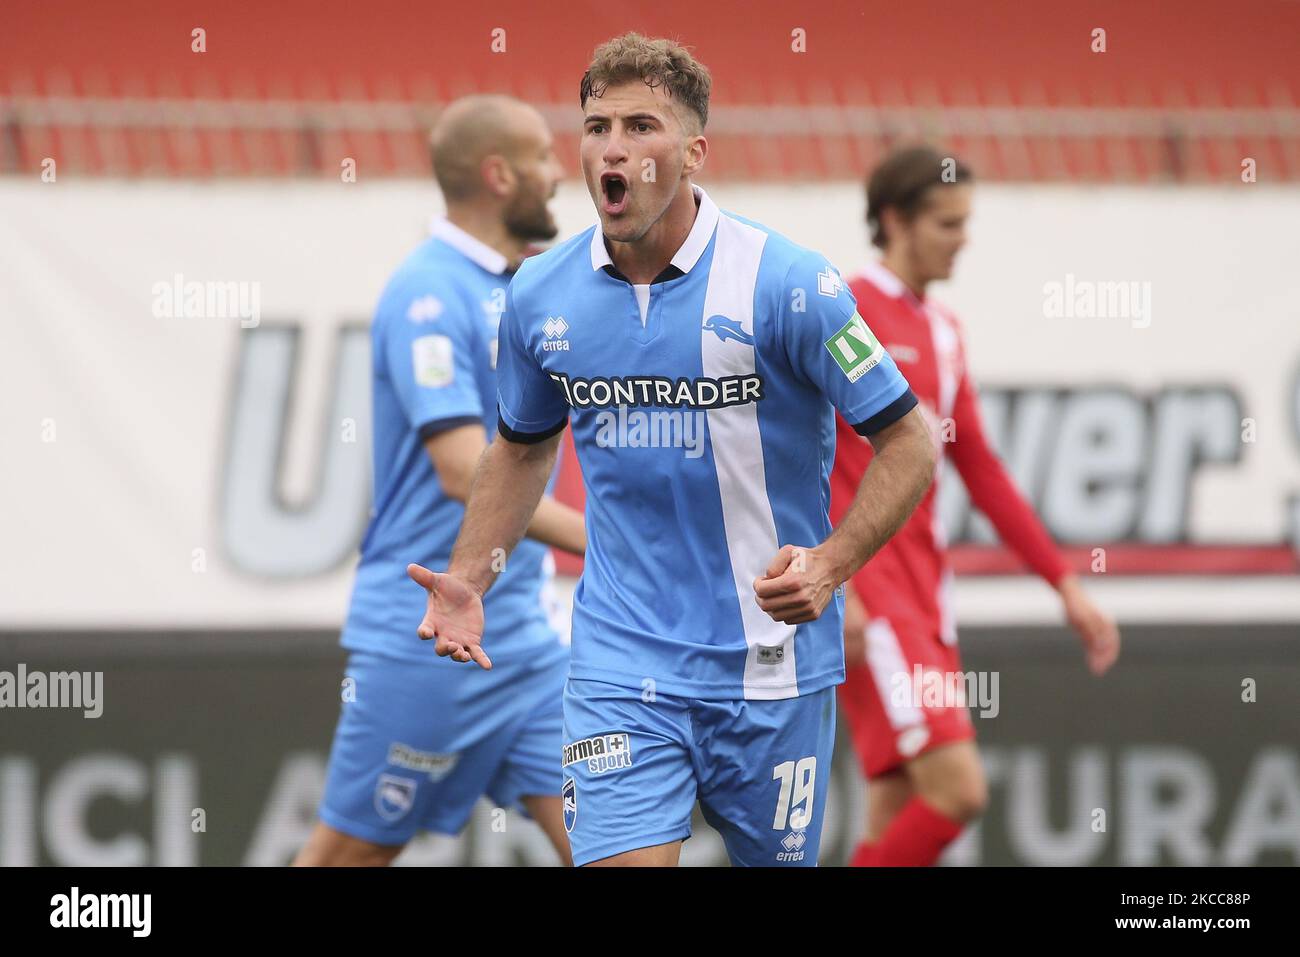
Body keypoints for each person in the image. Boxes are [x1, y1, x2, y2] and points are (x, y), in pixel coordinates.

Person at [407, 34, 935, 867]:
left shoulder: (788, 282)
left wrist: (832, 563)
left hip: (771, 667)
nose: (612, 148)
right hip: (623, 660)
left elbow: (908, 438)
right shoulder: (541, 294)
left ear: (693, 152)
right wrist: (471, 574)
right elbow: (517, 449)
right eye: (596, 126)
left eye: (640, 125)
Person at [295, 95, 584, 867]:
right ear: (498, 175)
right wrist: (607, 540)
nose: (561, 174)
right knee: (346, 856)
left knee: (614, 845)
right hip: (430, 633)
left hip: (522, 636)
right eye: (544, 158)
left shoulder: (520, 286)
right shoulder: (430, 293)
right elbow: (464, 470)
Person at [832, 145, 1121, 867]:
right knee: (959, 789)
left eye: (967, 222)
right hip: (871, 595)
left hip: (927, 596)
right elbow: (783, 454)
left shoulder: (945, 332)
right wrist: (837, 580)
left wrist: (1065, 584)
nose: (964, 238)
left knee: (895, 805)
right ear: (895, 219)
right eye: (947, 222)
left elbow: (983, 472)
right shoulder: (842, 308)